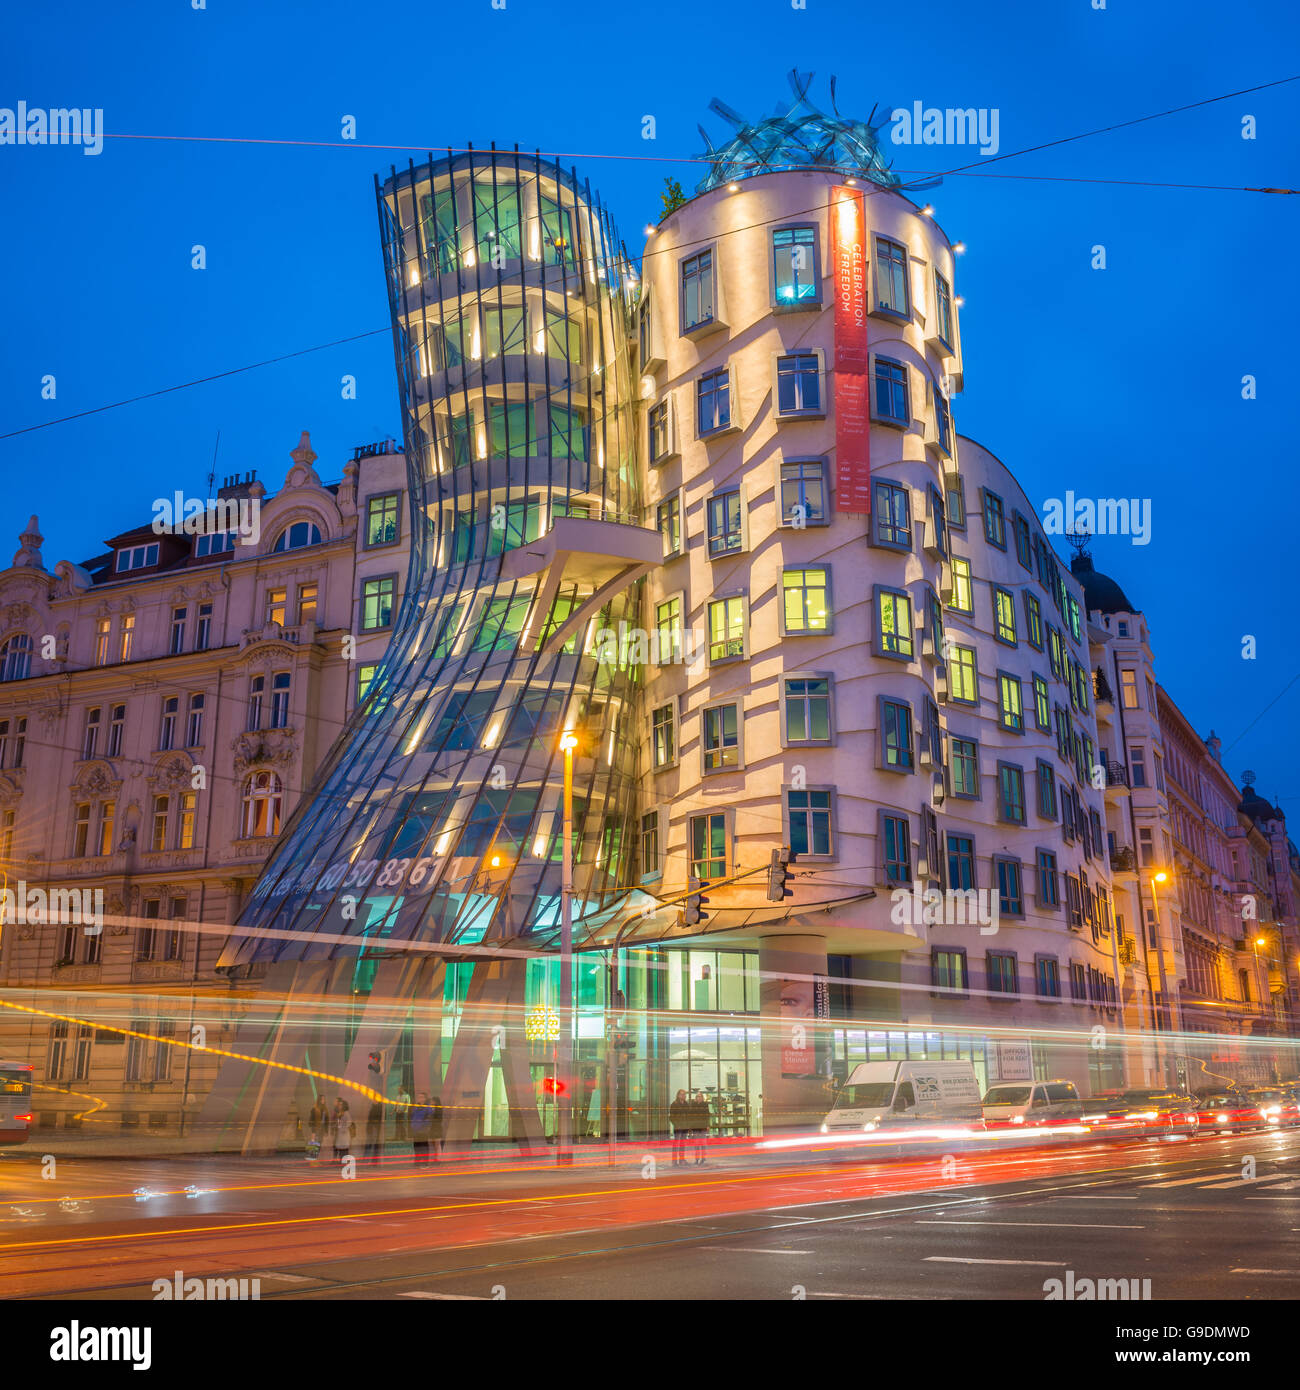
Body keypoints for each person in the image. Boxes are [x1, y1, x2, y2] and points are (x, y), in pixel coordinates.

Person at [668, 1089, 691, 1166]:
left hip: (685, 1127)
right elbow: (671, 1117)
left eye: (684, 1094)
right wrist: (676, 1124)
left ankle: (682, 1159)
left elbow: (688, 1116)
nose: (683, 1096)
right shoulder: (674, 1104)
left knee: (682, 1144)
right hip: (678, 1127)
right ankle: (674, 1161)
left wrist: (688, 1126)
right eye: (682, 1094)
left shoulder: (686, 1104)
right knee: (676, 1144)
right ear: (678, 1095)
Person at [332, 1099, 354, 1164]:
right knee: (341, 1148)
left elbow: (349, 1122)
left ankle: (344, 1161)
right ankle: (342, 1161)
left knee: (344, 1148)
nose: (340, 1106)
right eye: (339, 1104)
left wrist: (344, 1128)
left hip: (344, 1134)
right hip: (341, 1133)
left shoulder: (346, 1113)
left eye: (341, 1105)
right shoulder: (340, 1113)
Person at [691, 1091, 710, 1165]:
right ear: (696, 1098)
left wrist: (708, 1125)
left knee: (703, 1143)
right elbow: (691, 1116)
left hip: (703, 1127)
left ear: (702, 1098)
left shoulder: (705, 1105)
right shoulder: (693, 1105)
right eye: (697, 1096)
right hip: (695, 1127)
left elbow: (707, 1115)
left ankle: (703, 1158)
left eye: (700, 1096)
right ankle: (696, 1159)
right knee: (696, 1144)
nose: (699, 1098)